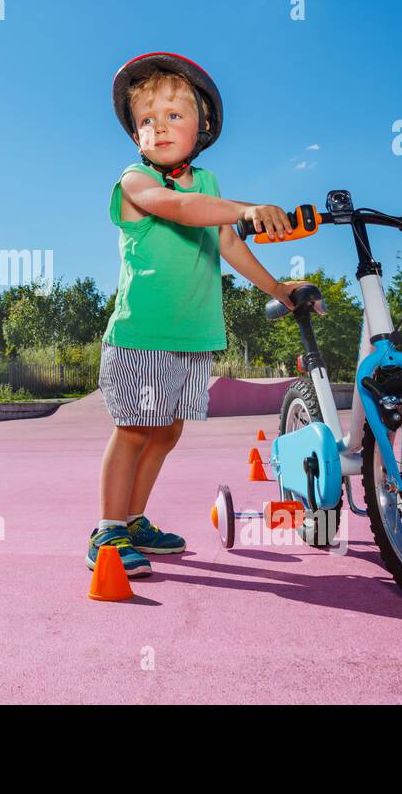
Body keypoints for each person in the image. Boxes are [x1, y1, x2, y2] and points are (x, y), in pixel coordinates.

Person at [89, 51, 307, 576]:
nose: (158, 128)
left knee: (166, 432)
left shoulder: (207, 184)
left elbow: (228, 243)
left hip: (190, 338)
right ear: (136, 136)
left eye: (173, 115)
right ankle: (108, 532)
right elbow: (181, 209)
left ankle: (136, 519)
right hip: (141, 336)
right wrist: (246, 207)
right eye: (147, 120)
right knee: (135, 429)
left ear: (202, 126)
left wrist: (278, 286)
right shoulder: (135, 182)